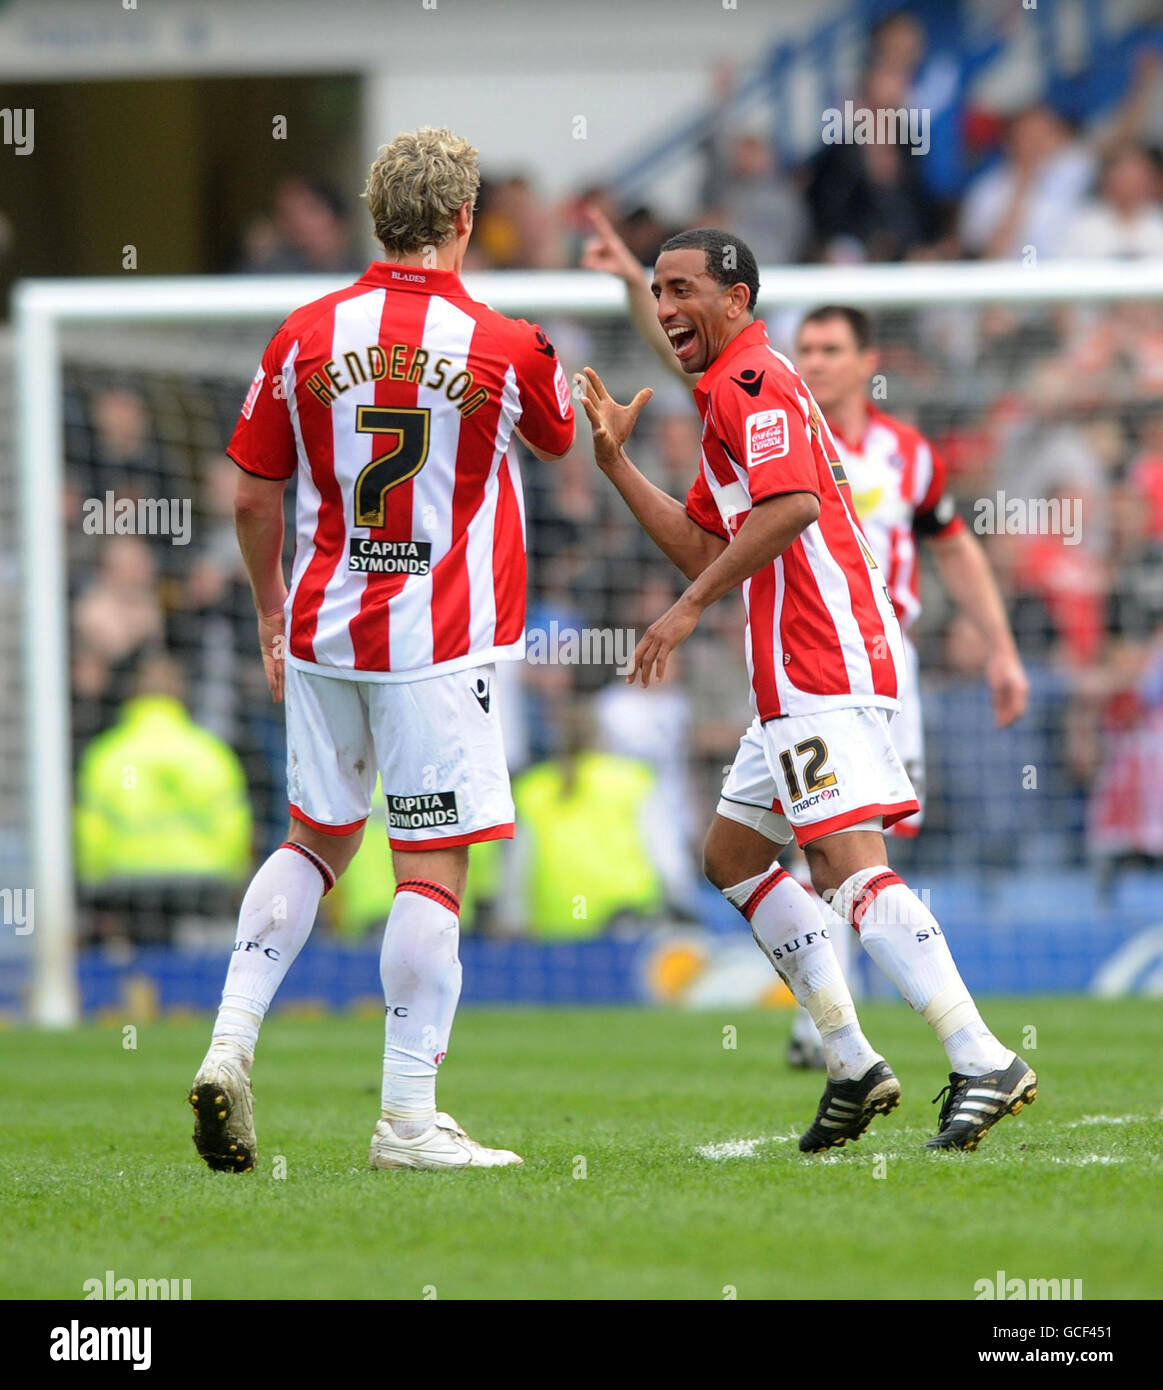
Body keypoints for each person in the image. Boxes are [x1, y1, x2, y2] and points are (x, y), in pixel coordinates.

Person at [577, 226, 1036, 1152]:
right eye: (656, 291)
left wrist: (684, 612)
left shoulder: (753, 381)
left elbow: (794, 507)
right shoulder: (721, 398)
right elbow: (708, 545)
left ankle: (982, 1055)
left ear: (736, 300)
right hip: (788, 669)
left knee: (845, 864)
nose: (665, 308)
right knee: (733, 855)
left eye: (682, 290)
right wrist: (617, 466)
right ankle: (850, 1061)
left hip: (820, 657)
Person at [189, 127, 574, 1174]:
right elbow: (557, 438)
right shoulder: (503, 343)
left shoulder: (304, 335)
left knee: (315, 839)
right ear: (463, 221)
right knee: (428, 868)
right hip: (438, 645)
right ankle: (406, 1118)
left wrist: (271, 612)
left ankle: (229, 1043)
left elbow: (249, 492)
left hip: (321, 630)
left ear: (373, 218)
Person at [782, 305, 1028, 1065]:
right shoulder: (782, 437)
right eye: (805, 349)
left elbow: (954, 551)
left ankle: (839, 1021)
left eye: (830, 349)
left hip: (890, 665)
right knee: (818, 836)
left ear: (867, 362)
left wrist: (1000, 648)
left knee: (866, 844)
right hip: (814, 661)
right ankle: (828, 1023)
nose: (814, 362)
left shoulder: (906, 455)